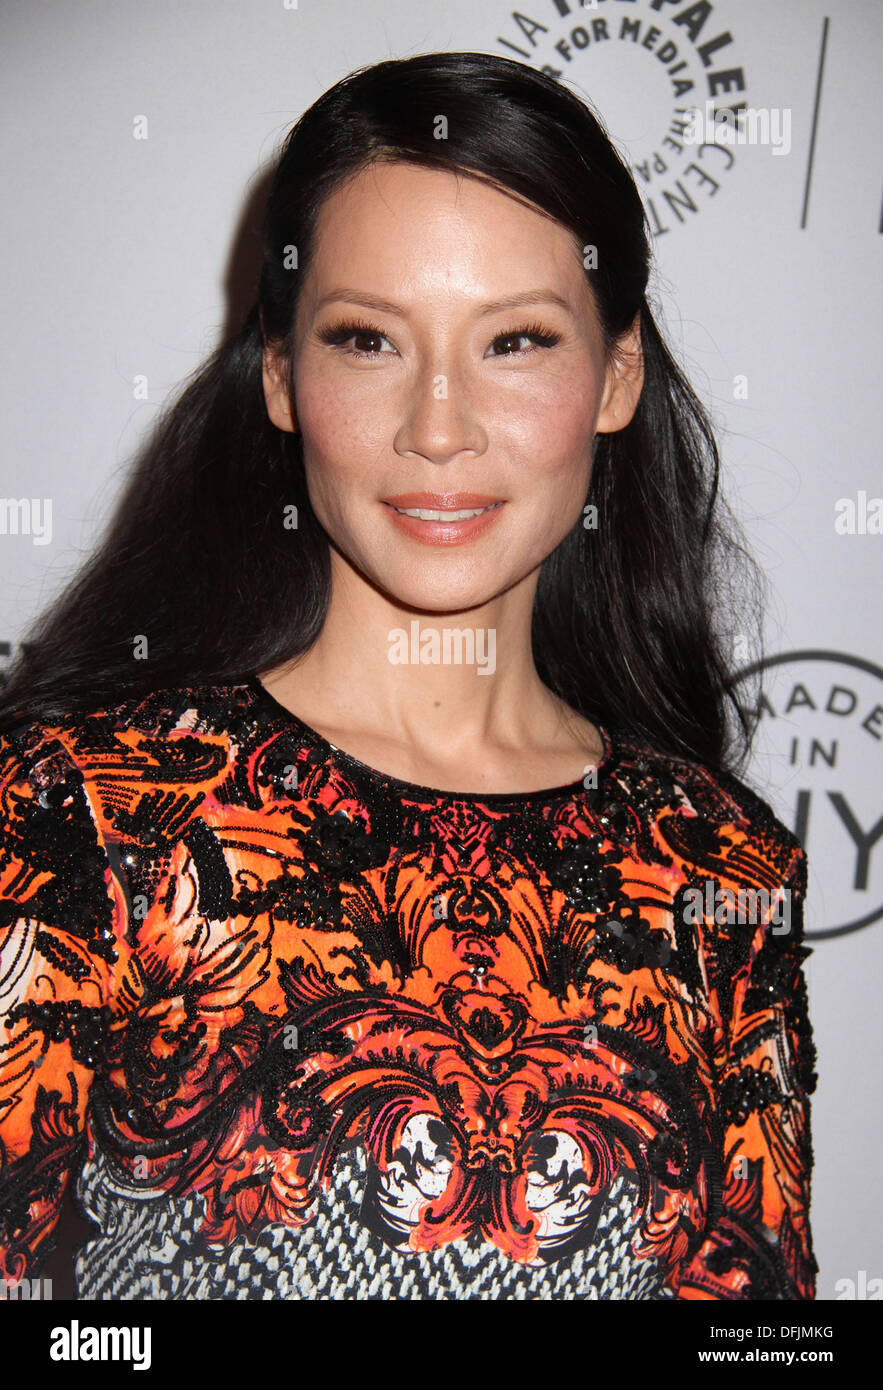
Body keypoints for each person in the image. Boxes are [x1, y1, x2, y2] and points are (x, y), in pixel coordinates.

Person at [0, 51, 816, 1301]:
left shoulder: (720, 865)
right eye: (369, 338)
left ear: (614, 374)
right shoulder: (80, 817)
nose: (439, 426)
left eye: (517, 340)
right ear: (281, 373)